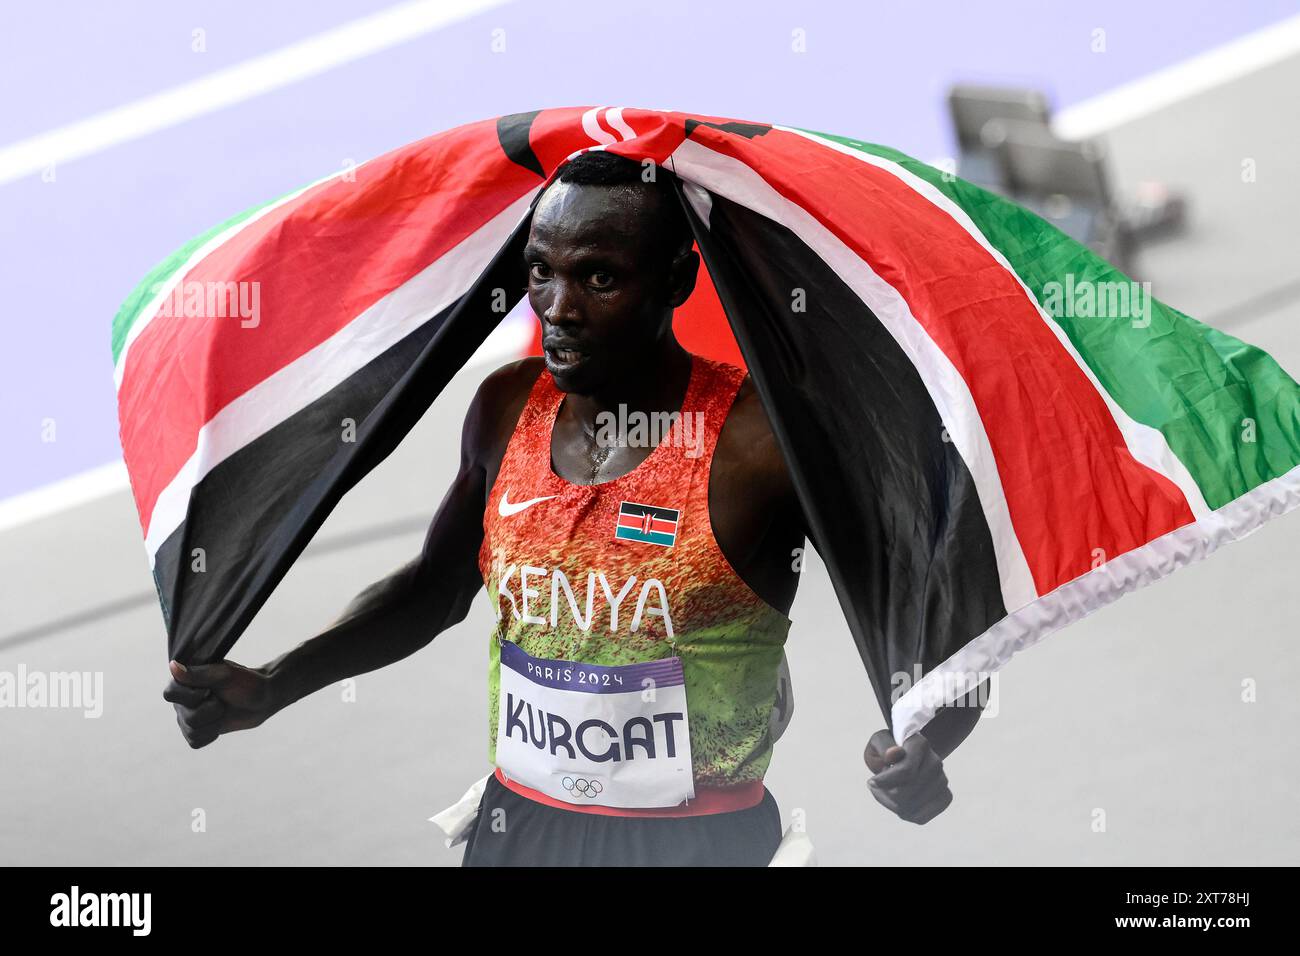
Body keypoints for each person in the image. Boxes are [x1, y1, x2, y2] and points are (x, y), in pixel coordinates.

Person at [162, 149, 981, 866]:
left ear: (677, 278)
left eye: (598, 276)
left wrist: (928, 743)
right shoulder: (503, 407)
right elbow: (437, 589)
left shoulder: (763, 447)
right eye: (540, 271)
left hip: (697, 849)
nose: (558, 306)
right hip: (522, 832)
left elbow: (925, 616)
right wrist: (274, 683)